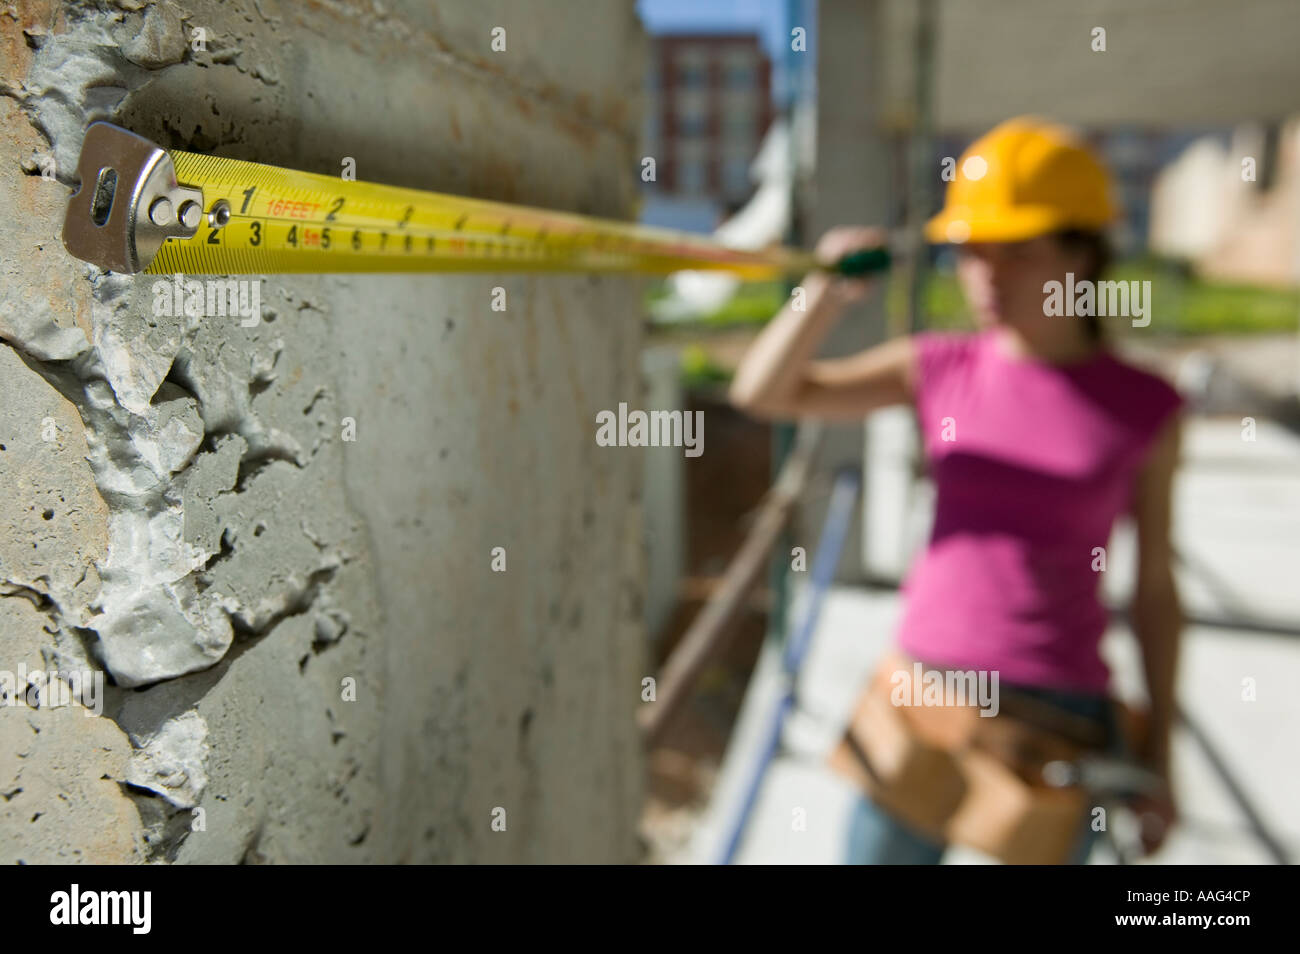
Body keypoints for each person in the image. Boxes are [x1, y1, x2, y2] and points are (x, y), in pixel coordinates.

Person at [729, 117, 1183, 864]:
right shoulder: (939, 367)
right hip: (921, 693)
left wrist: (1162, 757)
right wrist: (824, 291)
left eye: (1019, 251)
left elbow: (1156, 590)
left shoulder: (1144, 405)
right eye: (972, 251)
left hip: (1055, 718)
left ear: (1086, 255)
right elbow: (765, 391)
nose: (986, 276)